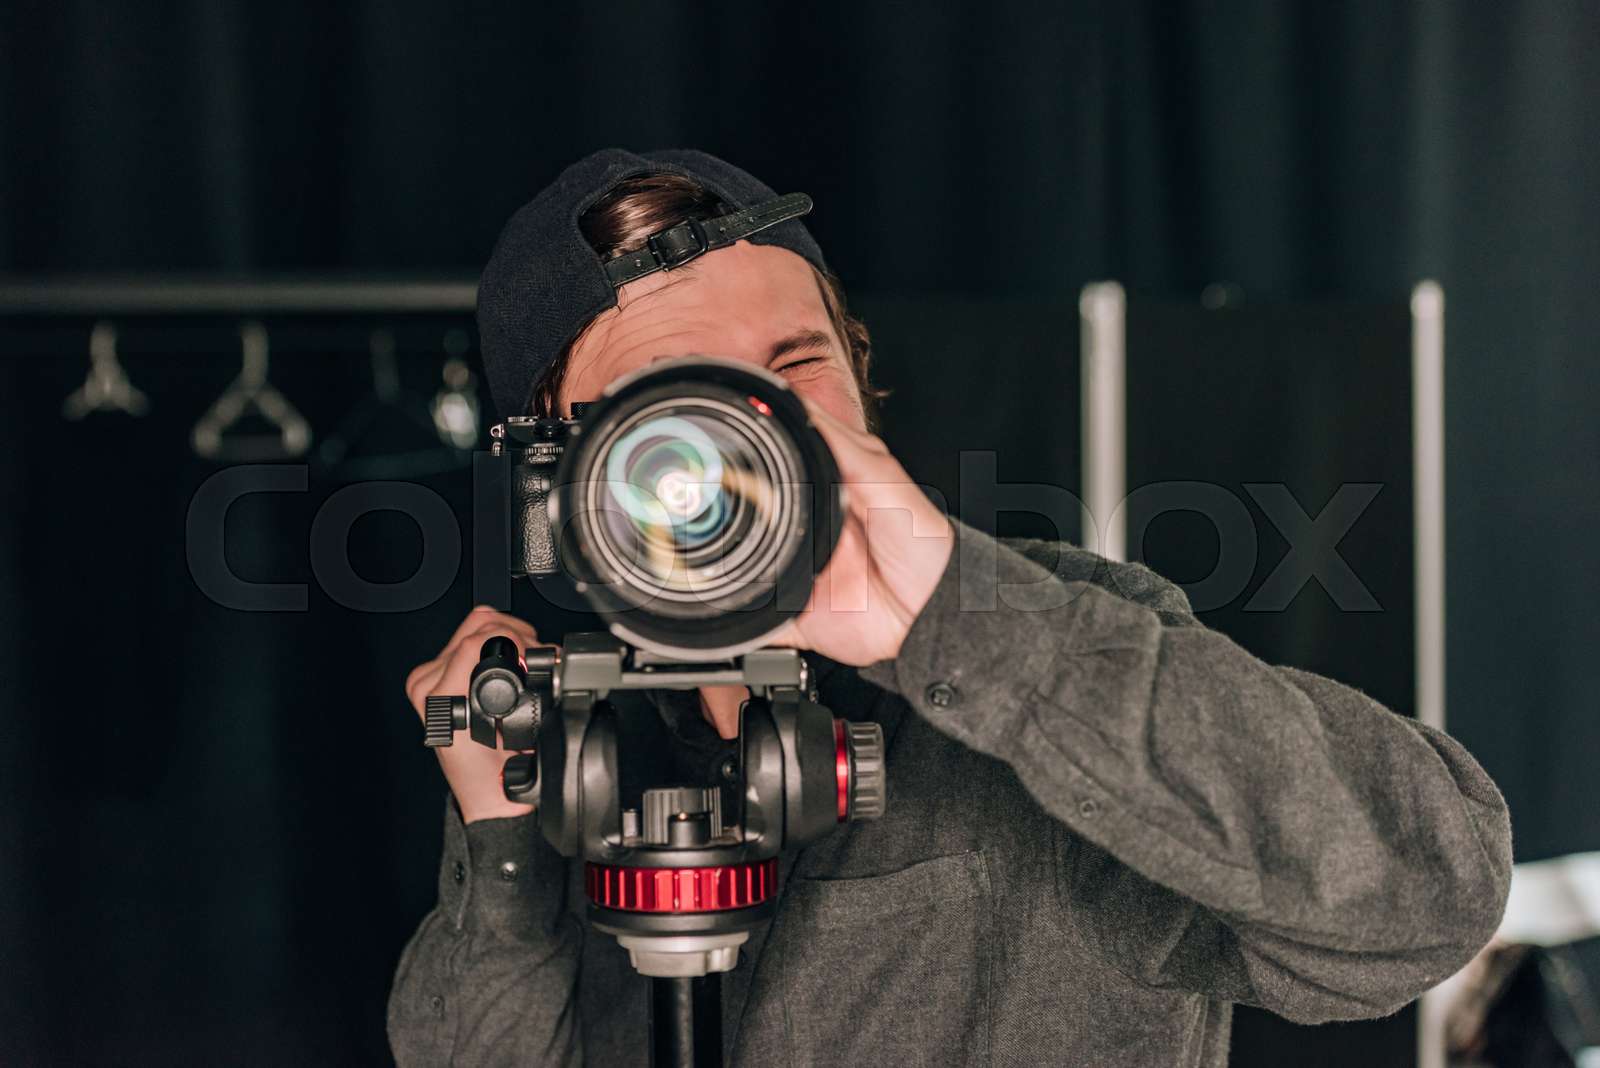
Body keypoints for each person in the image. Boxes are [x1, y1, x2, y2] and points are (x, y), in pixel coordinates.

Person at [388, 149, 1511, 1066]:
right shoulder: (568, 731)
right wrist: (504, 850)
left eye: (793, 370)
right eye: (675, 401)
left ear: (860, 386)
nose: (754, 432)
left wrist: (966, 624)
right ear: (553, 477)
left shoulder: (1066, 630)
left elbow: (1427, 897)